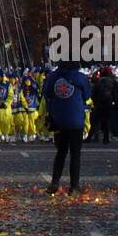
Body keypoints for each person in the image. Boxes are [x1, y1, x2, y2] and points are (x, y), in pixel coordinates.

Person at [43, 62, 91, 195]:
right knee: (75, 154)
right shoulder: (81, 77)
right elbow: (87, 96)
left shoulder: (53, 76)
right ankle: (74, 187)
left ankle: (54, 183)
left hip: (59, 120)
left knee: (60, 153)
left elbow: (46, 94)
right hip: (76, 120)